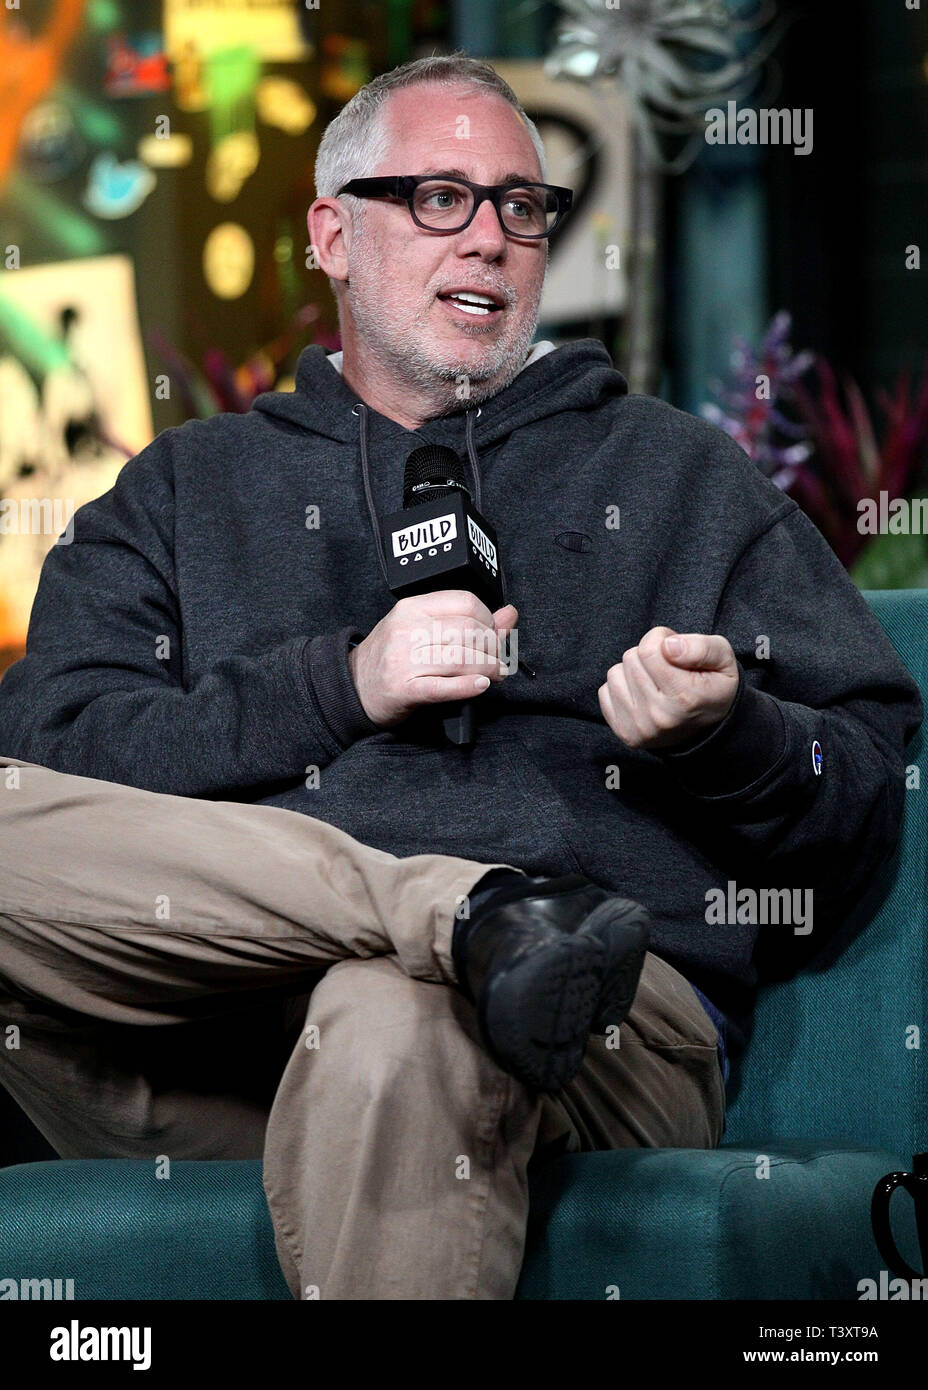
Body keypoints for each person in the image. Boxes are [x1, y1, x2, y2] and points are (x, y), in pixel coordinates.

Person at [0, 53, 921, 1302]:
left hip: (578, 1038)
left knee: (391, 1014)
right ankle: (468, 913)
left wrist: (729, 731)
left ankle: (473, 944)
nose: (488, 238)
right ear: (332, 233)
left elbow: (862, 791)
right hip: (212, 1030)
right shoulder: (178, 495)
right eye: (438, 197)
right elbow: (57, 760)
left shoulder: (675, 478)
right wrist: (340, 685)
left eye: (520, 206)